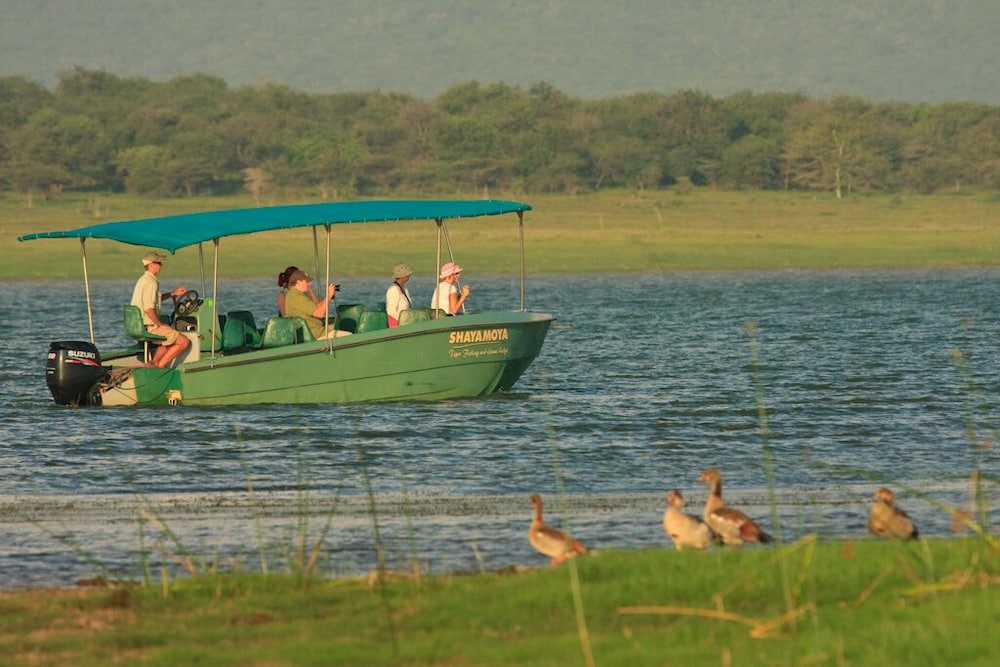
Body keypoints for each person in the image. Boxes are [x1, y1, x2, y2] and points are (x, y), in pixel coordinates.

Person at [130, 251, 190, 368]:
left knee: (170, 336)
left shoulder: (143, 279)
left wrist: (173, 293)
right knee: (183, 341)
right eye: (158, 263)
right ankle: (160, 366)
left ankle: (154, 363)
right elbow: (148, 309)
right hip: (147, 326)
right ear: (151, 265)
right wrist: (160, 324)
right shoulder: (151, 282)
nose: (161, 265)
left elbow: (154, 300)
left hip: (140, 325)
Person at [283, 269, 350, 339]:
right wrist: (329, 295)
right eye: (307, 282)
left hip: (317, 331)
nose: (309, 284)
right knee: (349, 335)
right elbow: (319, 313)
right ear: (299, 282)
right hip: (316, 335)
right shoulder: (296, 297)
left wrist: (328, 296)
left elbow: (317, 307)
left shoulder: (295, 295)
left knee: (334, 327)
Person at [385, 262, 413, 327]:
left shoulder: (404, 289)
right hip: (396, 324)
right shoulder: (393, 290)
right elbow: (391, 311)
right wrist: (402, 321)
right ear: (403, 276)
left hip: (405, 323)